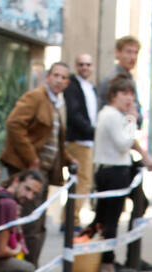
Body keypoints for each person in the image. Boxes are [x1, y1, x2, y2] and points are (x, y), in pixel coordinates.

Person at [1, 60, 70, 272]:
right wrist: (31, 158)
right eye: (56, 75)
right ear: (47, 77)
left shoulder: (57, 103)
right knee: (27, 223)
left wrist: (69, 160)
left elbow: (55, 141)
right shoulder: (35, 97)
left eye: (64, 77)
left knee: (38, 225)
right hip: (27, 172)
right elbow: (14, 124)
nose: (59, 80)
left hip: (44, 174)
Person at [92, 74, 152, 272]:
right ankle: (106, 264)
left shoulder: (117, 115)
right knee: (109, 219)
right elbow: (123, 143)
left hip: (121, 169)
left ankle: (116, 259)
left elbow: (128, 141)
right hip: (112, 172)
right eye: (124, 93)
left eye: (131, 94)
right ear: (113, 95)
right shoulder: (110, 115)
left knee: (136, 204)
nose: (128, 98)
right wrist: (131, 120)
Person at [65, 53, 99, 224]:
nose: (85, 67)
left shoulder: (91, 88)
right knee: (83, 181)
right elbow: (74, 114)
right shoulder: (72, 86)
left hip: (88, 141)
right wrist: (91, 131)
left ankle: (71, 217)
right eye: (81, 64)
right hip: (78, 140)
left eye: (88, 64)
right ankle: (72, 220)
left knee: (83, 181)